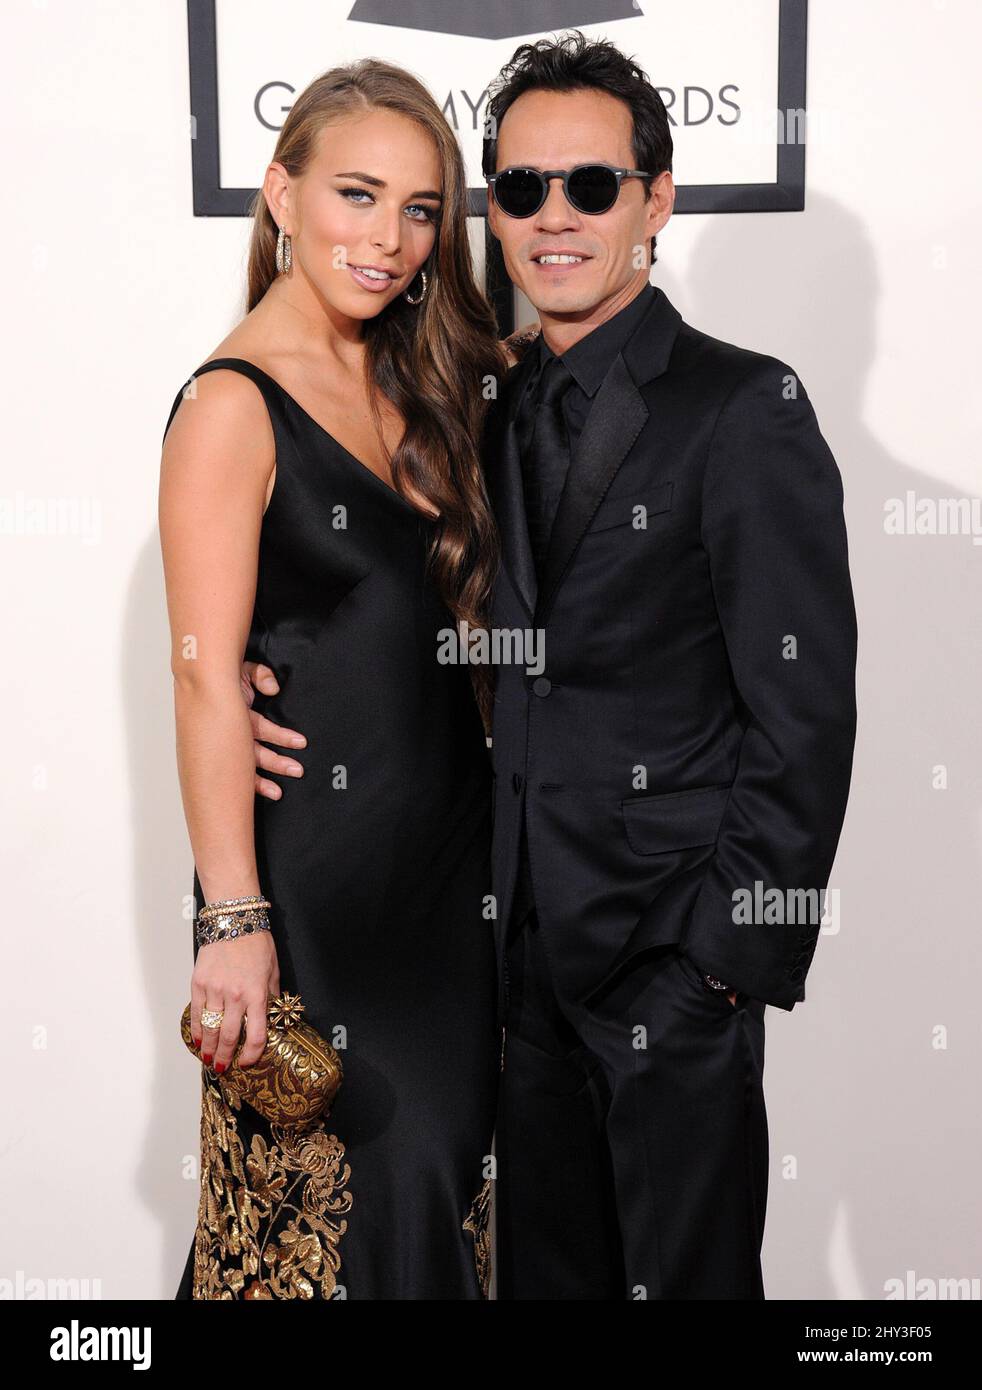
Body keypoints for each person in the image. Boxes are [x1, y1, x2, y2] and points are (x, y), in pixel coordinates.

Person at [245, 30, 858, 1300]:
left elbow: (805, 716)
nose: (554, 217)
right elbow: (373, 581)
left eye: (590, 184)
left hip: (670, 970)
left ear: (655, 200)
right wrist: (274, 676)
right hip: (508, 976)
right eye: (521, 188)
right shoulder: (473, 401)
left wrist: (717, 963)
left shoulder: (744, 408)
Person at [159, 59, 507, 1300]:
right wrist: (233, 922)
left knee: (452, 1183)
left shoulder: (427, 372)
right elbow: (205, 681)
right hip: (316, 885)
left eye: (419, 210)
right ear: (280, 194)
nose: (389, 239)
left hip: (455, 873)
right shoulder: (230, 405)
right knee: (343, 1208)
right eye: (356, 195)